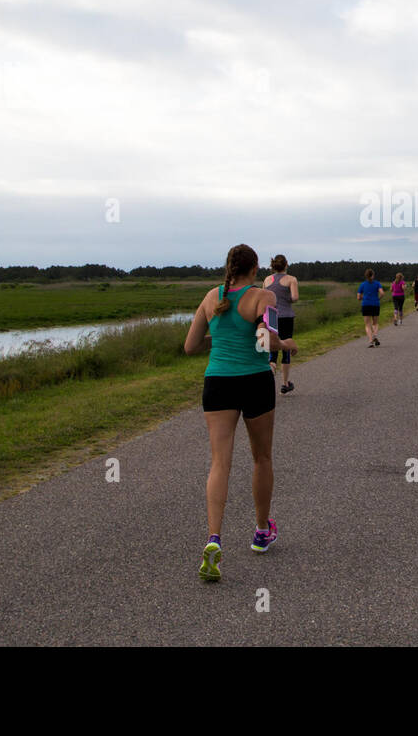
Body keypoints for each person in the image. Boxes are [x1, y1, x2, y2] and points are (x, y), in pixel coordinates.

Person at [185, 243, 298, 583]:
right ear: (255, 268)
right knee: (261, 457)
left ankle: (214, 539)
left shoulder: (210, 297)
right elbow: (266, 342)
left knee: (220, 462)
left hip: (217, 382)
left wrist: (220, 337)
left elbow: (190, 346)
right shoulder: (263, 297)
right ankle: (262, 531)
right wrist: (287, 345)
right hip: (253, 381)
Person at [263, 255, 299, 394]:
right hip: (286, 316)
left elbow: (264, 297)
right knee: (286, 347)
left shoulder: (267, 280)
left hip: (271, 316)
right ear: (286, 265)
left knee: (272, 348)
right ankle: (285, 383)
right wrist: (286, 298)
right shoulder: (291, 279)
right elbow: (295, 297)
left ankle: (269, 373)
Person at [357, 269, 384, 347]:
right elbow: (382, 293)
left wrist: (364, 297)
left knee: (367, 325)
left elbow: (358, 297)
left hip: (366, 305)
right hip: (375, 304)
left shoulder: (362, 285)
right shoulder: (377, 284)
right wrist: (378, 298)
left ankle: (370, 341)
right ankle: (375, 335)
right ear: (373, 275)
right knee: (375, 323)